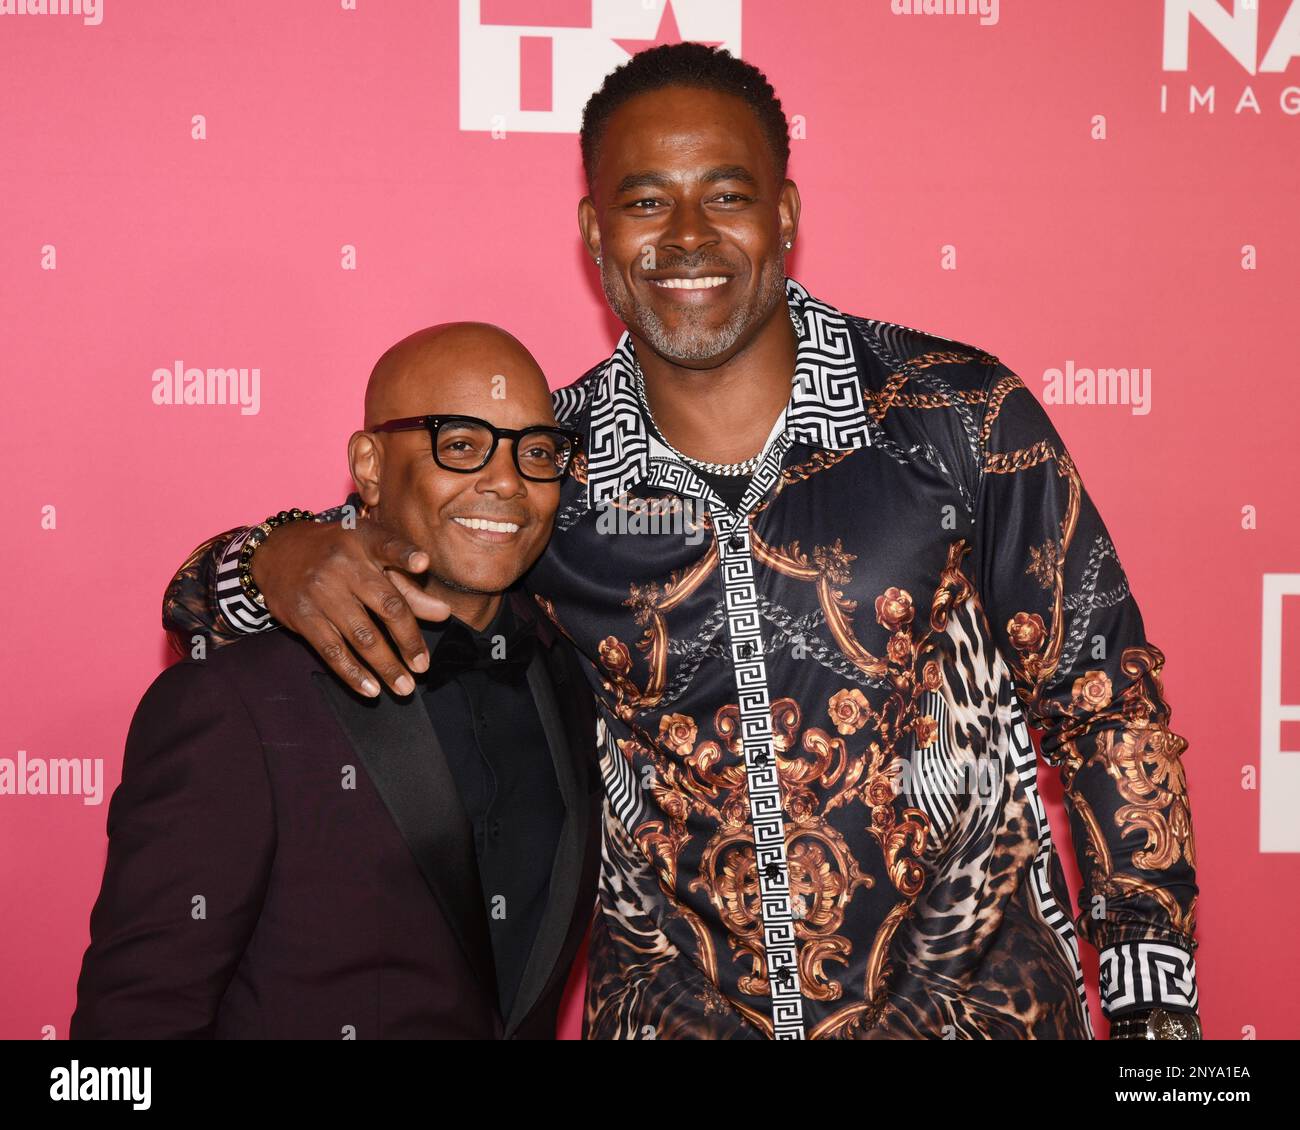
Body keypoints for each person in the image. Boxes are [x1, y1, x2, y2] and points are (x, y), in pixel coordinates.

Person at [160, 45, 1201, 1040]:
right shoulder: (543, 473)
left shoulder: (952, 414)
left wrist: (1159, 1023)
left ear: (784, 214)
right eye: (646, 199)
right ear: (595, 229)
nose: (687, 234)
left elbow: (1110, 706)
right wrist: (278, 552)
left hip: (980, 1014)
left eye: (728, 194)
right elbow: (206, 600)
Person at [73, 323, 600, 1039]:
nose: (507, 481)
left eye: (536, 452)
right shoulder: (237, 705)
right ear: (370, 465)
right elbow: (135, 1028)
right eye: (462, 444)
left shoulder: (571, 674)